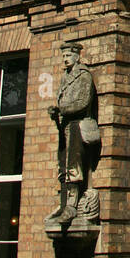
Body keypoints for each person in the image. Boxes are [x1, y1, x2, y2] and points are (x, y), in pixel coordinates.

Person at [45, 40, 99, 226]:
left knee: (74, 164)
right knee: (64, 164)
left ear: (77, 56)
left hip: (78, 124)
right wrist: (56, 112)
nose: (66, 59)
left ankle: (72, 205)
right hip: (65, 126)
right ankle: (64, 203)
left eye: (69, 56)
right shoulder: (65, 77)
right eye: (64, 56)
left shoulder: (83, 76)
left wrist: (62, 110)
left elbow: (83, 101)